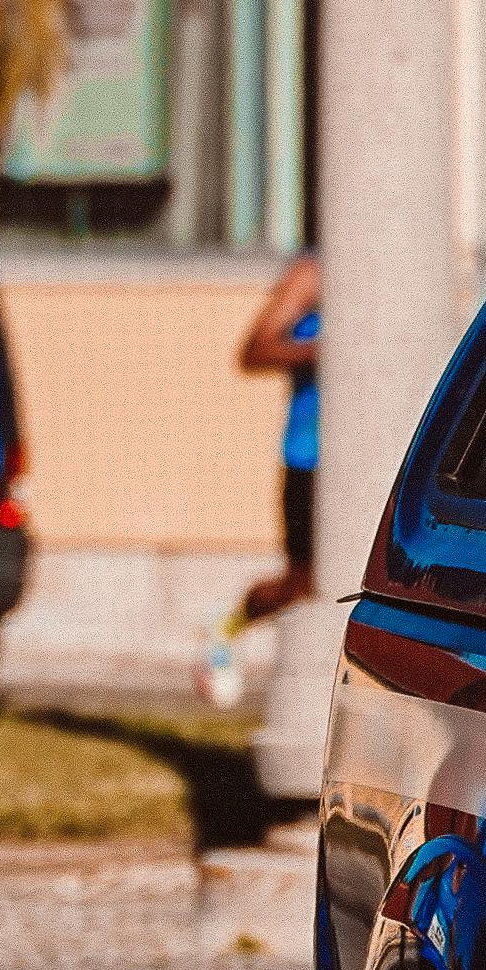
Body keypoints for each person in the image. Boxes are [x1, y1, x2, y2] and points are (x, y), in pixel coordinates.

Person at [204, 251, 320, 704]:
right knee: (305, 581)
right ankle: (226, 628)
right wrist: (322, 350)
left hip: (372, 458)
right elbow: (254, 349)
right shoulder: (312, 275)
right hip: (310, 457)